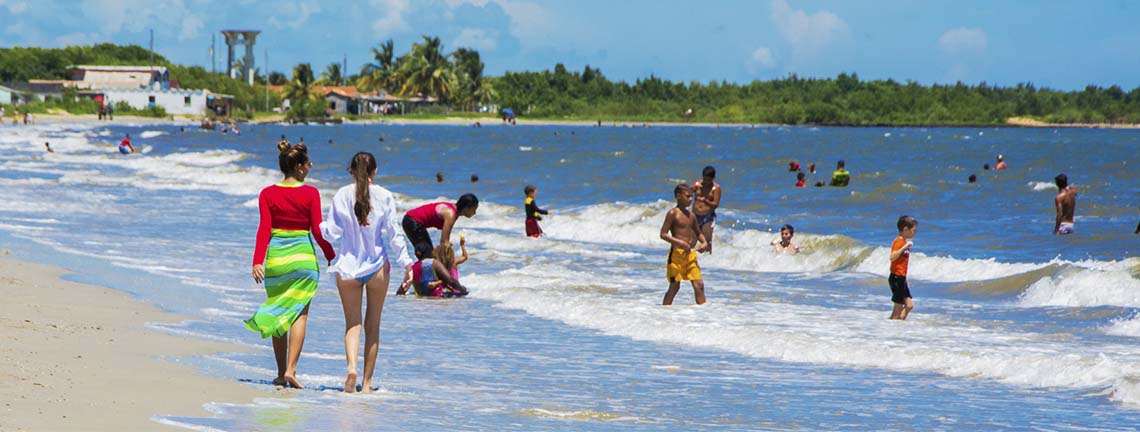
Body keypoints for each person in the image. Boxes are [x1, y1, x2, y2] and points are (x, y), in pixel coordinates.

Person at [320, 152, 415, 393]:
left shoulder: (342, 195)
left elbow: (330, 234)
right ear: (375, 171)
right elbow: (394, 234)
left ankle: (351, 368)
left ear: (351, 171)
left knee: (353, 323)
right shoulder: (384, 196)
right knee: (373, 324)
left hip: (348, 268)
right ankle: (367, 383)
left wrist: (319, 226)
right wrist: (407, 264)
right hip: (377, 269)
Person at [246, 141, 336, 389]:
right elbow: (318, 231)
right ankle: (291, 370)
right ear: (299, 168)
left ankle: (279, 372)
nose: (310, 167)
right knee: (299, 315)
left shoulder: (267, 194)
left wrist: (257, 261)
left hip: (276, 261)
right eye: (308, 164)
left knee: (278, 312)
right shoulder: (311, 194)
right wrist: (330, 253)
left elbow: (264, 229)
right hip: (303, 260)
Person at [660, 184, 710, 306]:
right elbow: (663, 234)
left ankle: (704, 314)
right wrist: (680, 242)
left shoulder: (691, 215)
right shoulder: (673, 213)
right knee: (675, 287)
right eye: (687, 196)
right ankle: (664, 312)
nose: (690, 199)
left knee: (699, 285)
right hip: (676, 256)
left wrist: (704, 242)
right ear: (678, 196)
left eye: (691, 197)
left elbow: (698, 233)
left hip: (690, 255)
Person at [401, 194, 479, 260]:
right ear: (466, 208)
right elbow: (444, 242)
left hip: (413, 221)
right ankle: (418, 276)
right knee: (427, 257)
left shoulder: (453, 211)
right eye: (474, 209)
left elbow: (444, 242)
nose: (475, 213)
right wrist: (448, 263)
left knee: (428, 256)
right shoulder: (450, 214)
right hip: (412, 221)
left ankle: (421, 275)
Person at [888, 215, 917, 320]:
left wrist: (905, 280)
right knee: (898, 308)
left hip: (902, 278)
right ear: (905, 229)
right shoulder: (899, 242)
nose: (915, 233)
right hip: (896, 277)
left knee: (909, 306)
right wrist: (904, 247)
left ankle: (899, 327)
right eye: (913, 230)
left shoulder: (904, 242)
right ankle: (889, 329)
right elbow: (892, 257)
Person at [691, 165, 722, 254]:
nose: (706, 182)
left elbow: (715, 204)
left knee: (707, 239)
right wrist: (692, 189)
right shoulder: (697, 184)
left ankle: (708, 258)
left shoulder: (716, 188)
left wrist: (706, 201)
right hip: (695, 215)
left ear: (713, 178)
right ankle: (690, 258)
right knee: (692, 239)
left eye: (708, 180)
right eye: (705, 179)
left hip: (708, 217)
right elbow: (687, 193)